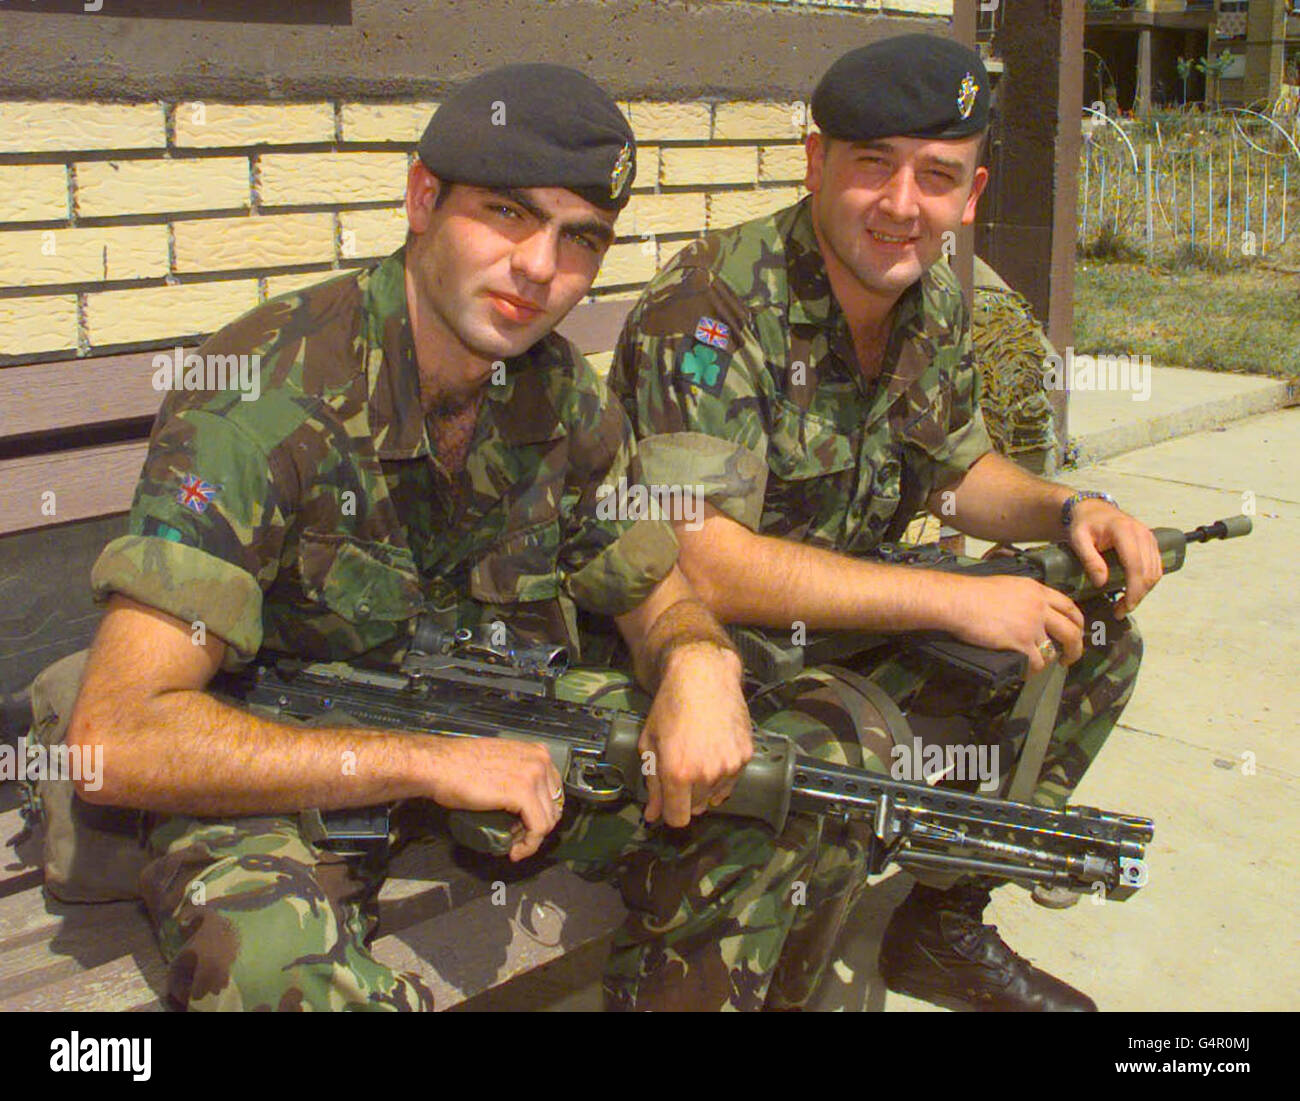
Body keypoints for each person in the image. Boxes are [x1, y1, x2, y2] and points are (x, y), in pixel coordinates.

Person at [61, 63, 832, 1012]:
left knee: (793, 784)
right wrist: (425, 759)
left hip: (494, 742)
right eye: (508, 215)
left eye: (579, 238)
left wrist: (698, 659)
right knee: (268, 967)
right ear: (423, 197)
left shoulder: (565, 401)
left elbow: (652, 589)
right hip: (273, 759)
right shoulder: (258, 403)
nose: (541, 269)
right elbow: (116, 735)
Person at [608, 35, 1164, 1011]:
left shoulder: (932, 295)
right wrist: (949, 597)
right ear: (817, 163)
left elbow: (959, 467)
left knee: (1094, 630)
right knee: (838, 745)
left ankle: (943, 921)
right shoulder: (710, 312)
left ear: (971, 191)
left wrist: (1068, 509)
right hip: (713, 655)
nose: (902, 205)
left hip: (846, 618)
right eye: (872, 164)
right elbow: (699, 564)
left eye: (936, 177)